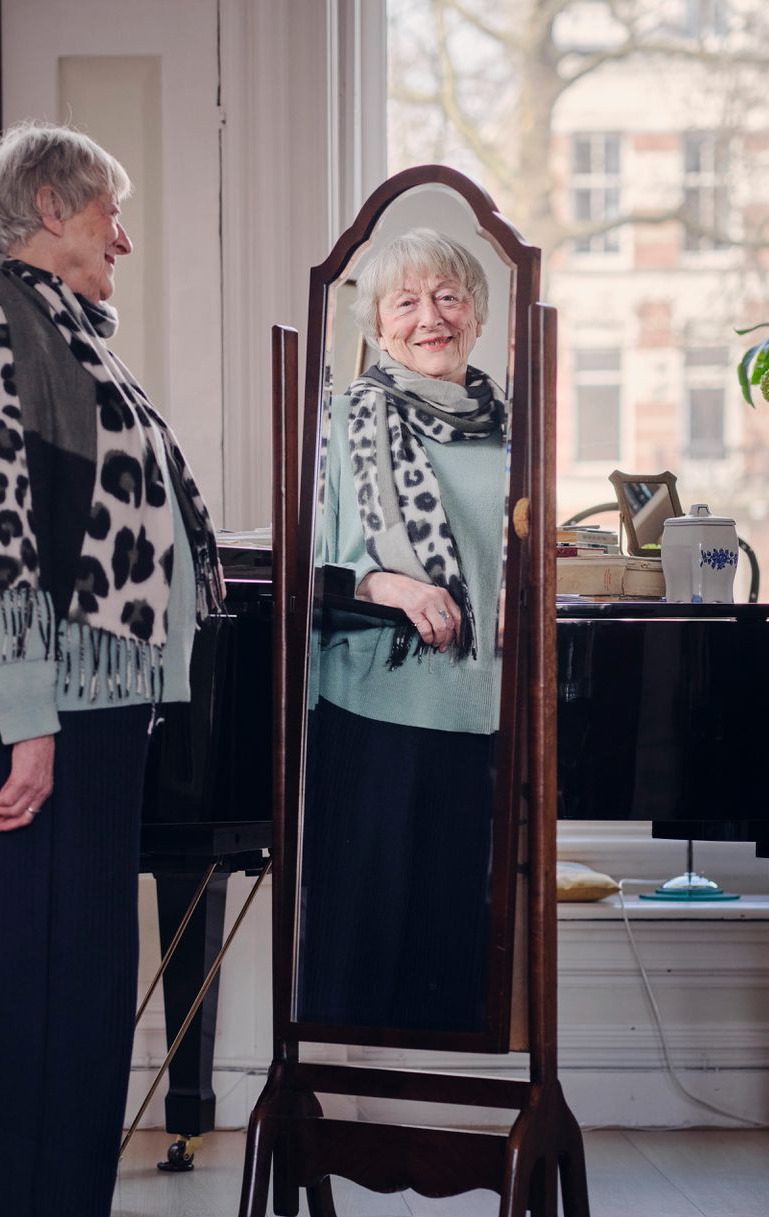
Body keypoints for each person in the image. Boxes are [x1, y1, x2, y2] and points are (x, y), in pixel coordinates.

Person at [0, 121, 222, 1217]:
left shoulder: (59, 335)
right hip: (35, 710)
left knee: (76, 992)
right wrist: (28, 725)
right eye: (106, 216)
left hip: (82, 705)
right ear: (47, 204)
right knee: (38, 986)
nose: (121, 239)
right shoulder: (2, 340)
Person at [297, 228, 508, 1034]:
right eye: (407, 301)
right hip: (371, 713)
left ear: (477, 316)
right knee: (360, 958)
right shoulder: (342, 418)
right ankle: (346, 1132)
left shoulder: (517, 429)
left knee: (456, 967)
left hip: (487, 718)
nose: (431, 318)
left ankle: (437, 1133)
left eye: (450, 297)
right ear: (377, 325)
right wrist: (385, 580)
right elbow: (309, 560)